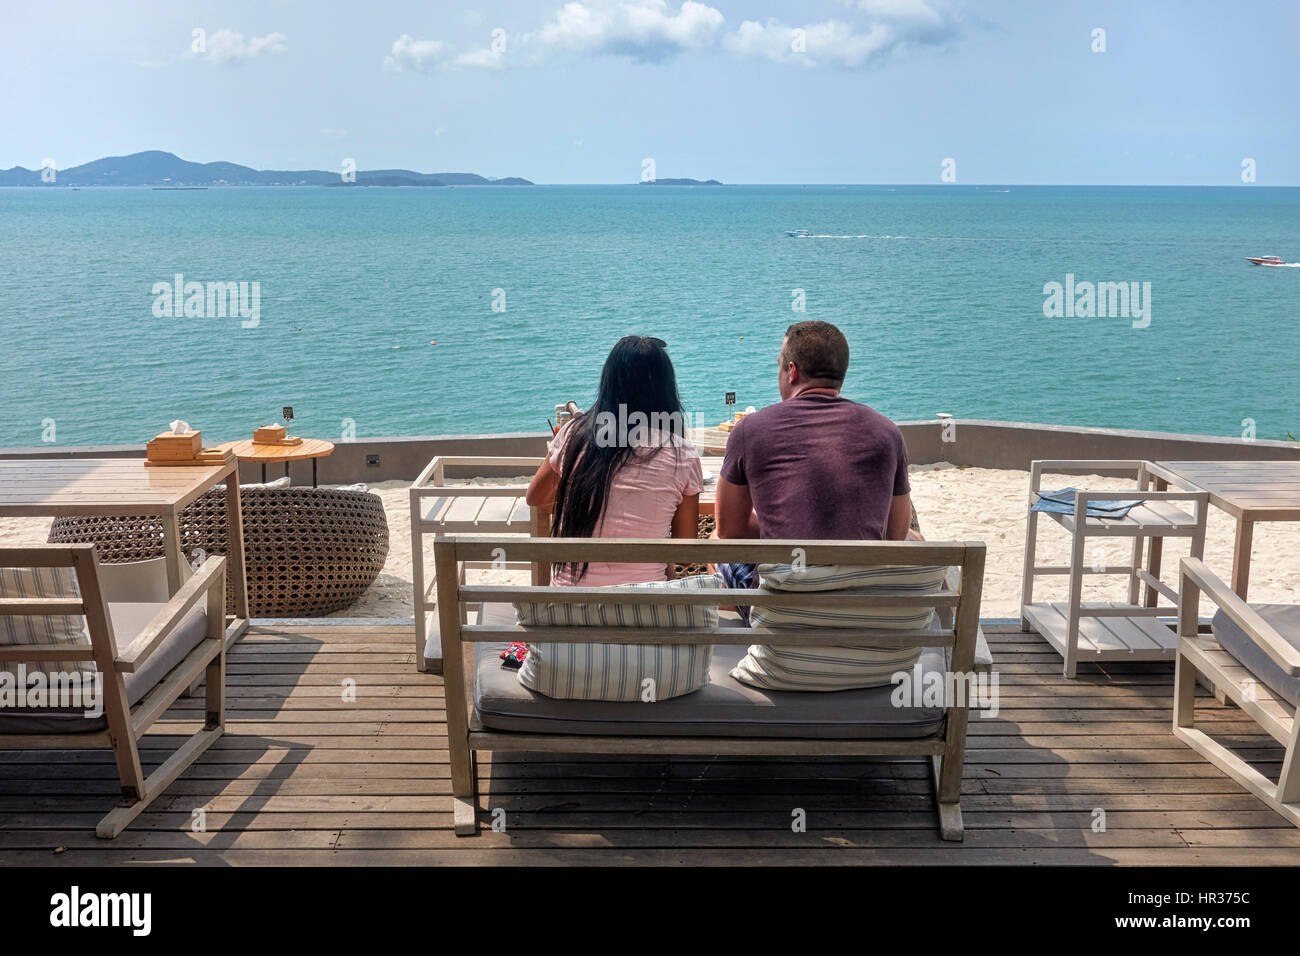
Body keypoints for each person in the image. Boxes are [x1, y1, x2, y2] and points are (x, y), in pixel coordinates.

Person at [714, 320, 918, 618]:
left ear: (792, 371)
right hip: (859, 610)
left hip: (780, 617)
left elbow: (729, 530)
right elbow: (895, 535)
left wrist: (781, 522)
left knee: (714, 545)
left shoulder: (750, 430)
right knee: (916, 538)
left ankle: (733, 611)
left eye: (780, 366)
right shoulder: (887, 432)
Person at [525, 335, 703, 587]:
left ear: (608, 383)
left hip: (569, 611)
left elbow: (535, 497)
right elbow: (686, 549)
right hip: (643, 613)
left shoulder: (573, 435)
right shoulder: (682, 453)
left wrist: (581, 492)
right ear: (665, 389)